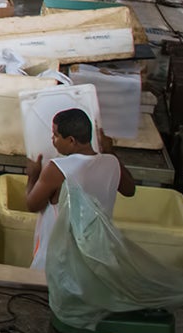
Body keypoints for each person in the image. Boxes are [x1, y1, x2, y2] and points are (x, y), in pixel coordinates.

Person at [25, 108, 134, 271]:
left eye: (55, 135)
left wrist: (33, 175)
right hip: (96, 257)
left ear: (71, 141)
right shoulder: (111, 162)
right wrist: (110, 151)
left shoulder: (57, 168)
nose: (52, 139)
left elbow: (32, 205)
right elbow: (130, 190)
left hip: (59, 258)